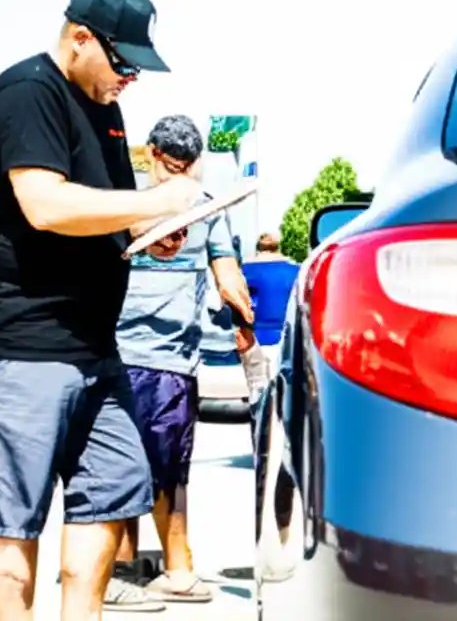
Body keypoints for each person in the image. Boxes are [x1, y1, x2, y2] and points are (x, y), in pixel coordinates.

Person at [0, 0, 201, 621]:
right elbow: (45, 204)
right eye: (122, 63)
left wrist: (147, 235)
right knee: (16, 513)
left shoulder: (109, 112)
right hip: (24, 347)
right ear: (80, 39)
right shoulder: (29, 93)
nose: (131, 78)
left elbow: (105, 213)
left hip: (95, 348)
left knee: (116, 485)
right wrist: (155, 200)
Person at [105, 114, 254, 610]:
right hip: (119, 350)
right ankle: (163, 567)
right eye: (174, 167)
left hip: (172, 358)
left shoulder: (208, 208)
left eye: (191, 167)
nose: (183, 178)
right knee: (132, 462)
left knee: (167, 464)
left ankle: (149, 565)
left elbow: (228, 272)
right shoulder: (122, 203)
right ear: (150, 155)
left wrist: (243, 318)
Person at [242, 233, 300, 371]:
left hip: (253, 338)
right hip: (286, 338)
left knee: (256, 385)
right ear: (278, 248)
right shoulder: (296, 270)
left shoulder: (244, 270)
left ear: (258, 249)